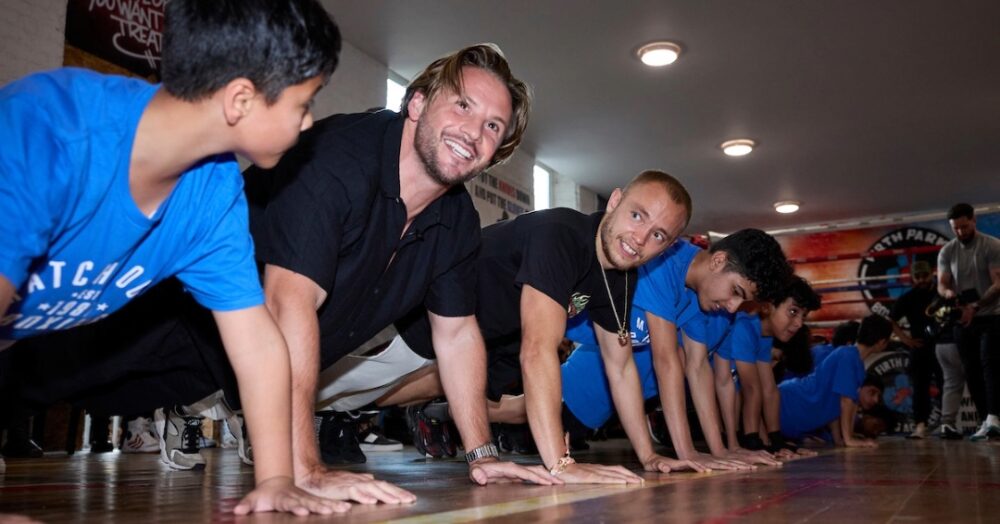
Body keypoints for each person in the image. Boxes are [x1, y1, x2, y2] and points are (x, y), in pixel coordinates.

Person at [0, 0, 343, 515]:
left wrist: (275, 479)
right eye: (304, 102)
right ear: (241, 100)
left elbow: (255, 342)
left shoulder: (212, 191)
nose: (310, 121)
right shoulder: (51, 133)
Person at [376, 170, 694, 481]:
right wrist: (561, 463)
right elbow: (539, 349)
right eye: (637, 216)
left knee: (442, 385)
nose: (640, 239)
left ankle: (345, 412)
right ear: (614, 201)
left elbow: (621, 367)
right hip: (425, 314)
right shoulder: (563, 234)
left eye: (657, 235)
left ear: (667, 247)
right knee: (350, 391)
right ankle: (346, 412)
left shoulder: (620, 279)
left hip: (488, 338)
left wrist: (648, 456)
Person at [714, 276, 821, 455]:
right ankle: (741, 439)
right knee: (740, 387)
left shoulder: (763, 335)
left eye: (804, 316)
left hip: (717, 392)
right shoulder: (744, 324)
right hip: (695, 391)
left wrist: (776, 441)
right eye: (793, 312)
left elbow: (769, 390)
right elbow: (751, 388)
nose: (799, 324)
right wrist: (753, 442)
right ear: (768, 305)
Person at [778, 315, 892, 448]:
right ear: (882, 342)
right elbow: (845, 401)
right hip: (788, 403)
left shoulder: (855, 362)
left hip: (795, 411)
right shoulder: (848, 355)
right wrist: (849, 439)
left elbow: (835, 405)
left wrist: (839, 439)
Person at [937, 203, 1000, 441]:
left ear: (974, 221)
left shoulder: (992, 245)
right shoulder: (947, 251)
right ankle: (987, 420)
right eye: (956, 228)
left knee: (990, 364)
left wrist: (976, 305)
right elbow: (942, 284)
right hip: (964, 318)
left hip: (992, 314)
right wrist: (950, 296)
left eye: (964, 226)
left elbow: (998, 283)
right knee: (971, 370)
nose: (961, 232)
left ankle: (995, 416)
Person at [887, 261, 941, 439]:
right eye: (917, 277)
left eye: (924, 276)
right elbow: (891, 320)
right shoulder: (908, 297)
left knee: (946, 385)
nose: (921, 280)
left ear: (931, 274)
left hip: (942, 345)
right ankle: (920, 425)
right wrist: (906, 340)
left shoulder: (940, 293)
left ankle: (949, 423)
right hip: (920, 347)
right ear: (912, 277)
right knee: (919, 388)